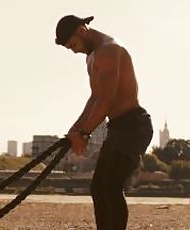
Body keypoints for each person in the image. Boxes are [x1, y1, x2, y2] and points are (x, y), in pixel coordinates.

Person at [55, 15, 153, 230]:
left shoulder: (109, 50)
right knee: (98, 188)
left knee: (111, 186)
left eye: (73, 45)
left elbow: (107, 99)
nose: (74, 51)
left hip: (134, 126)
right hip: (117, 128)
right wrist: (75, 130)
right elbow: (95, 98)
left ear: (82, 30)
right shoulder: (92, 57)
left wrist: (84, 134)